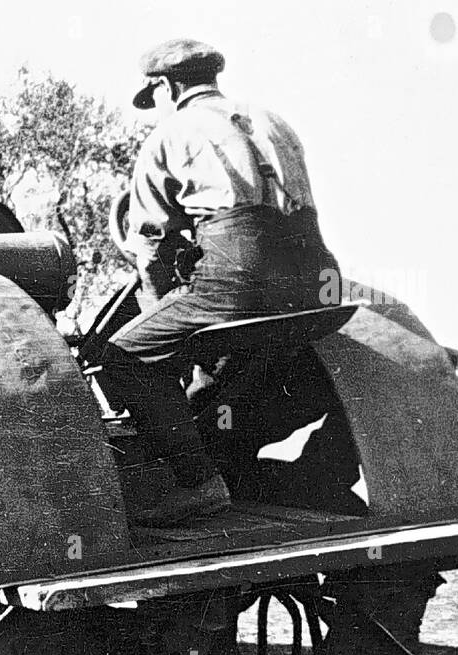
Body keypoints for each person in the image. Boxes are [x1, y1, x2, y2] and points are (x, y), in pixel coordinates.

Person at [98, 38, 340, 525]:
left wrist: (163, 304)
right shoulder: (273, 121)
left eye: (154, 99)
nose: (156, 110)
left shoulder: (169, 135)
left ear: (166, 87)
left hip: (240, 275)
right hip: (318, 275)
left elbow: (149, 247)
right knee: (265, 341)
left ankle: (198, 483)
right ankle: (323, 470)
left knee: (123, 357)